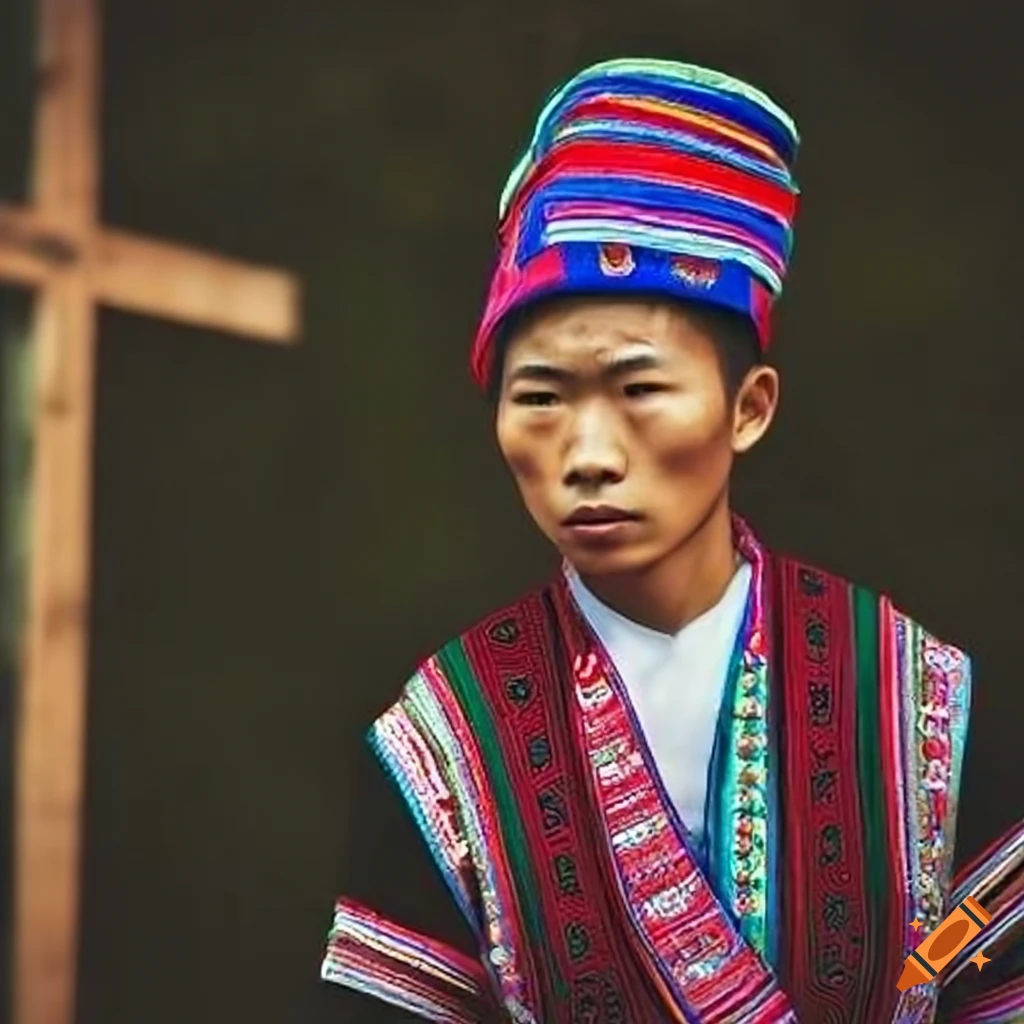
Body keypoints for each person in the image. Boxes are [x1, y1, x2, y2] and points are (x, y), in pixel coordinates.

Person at [320, 58, 1024, 1023]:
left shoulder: (920, 700)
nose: (590, 453)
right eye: (540, 399)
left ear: (748, 409)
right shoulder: (446, 745)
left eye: (640, 389)